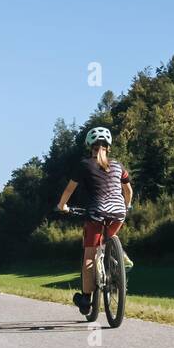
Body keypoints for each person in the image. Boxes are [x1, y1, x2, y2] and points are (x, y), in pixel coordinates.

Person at [55, 126, 133, 314]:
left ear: (90, 147)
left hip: (97, 213)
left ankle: (86, 299)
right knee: (109, 238)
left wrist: (62, 206)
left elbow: (69, 190)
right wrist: (127, 206)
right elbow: (128, 191)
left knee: (89, 257)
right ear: (108, 147)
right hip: (119, 213)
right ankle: (120, 257)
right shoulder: (118, 166)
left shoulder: (84, 165)